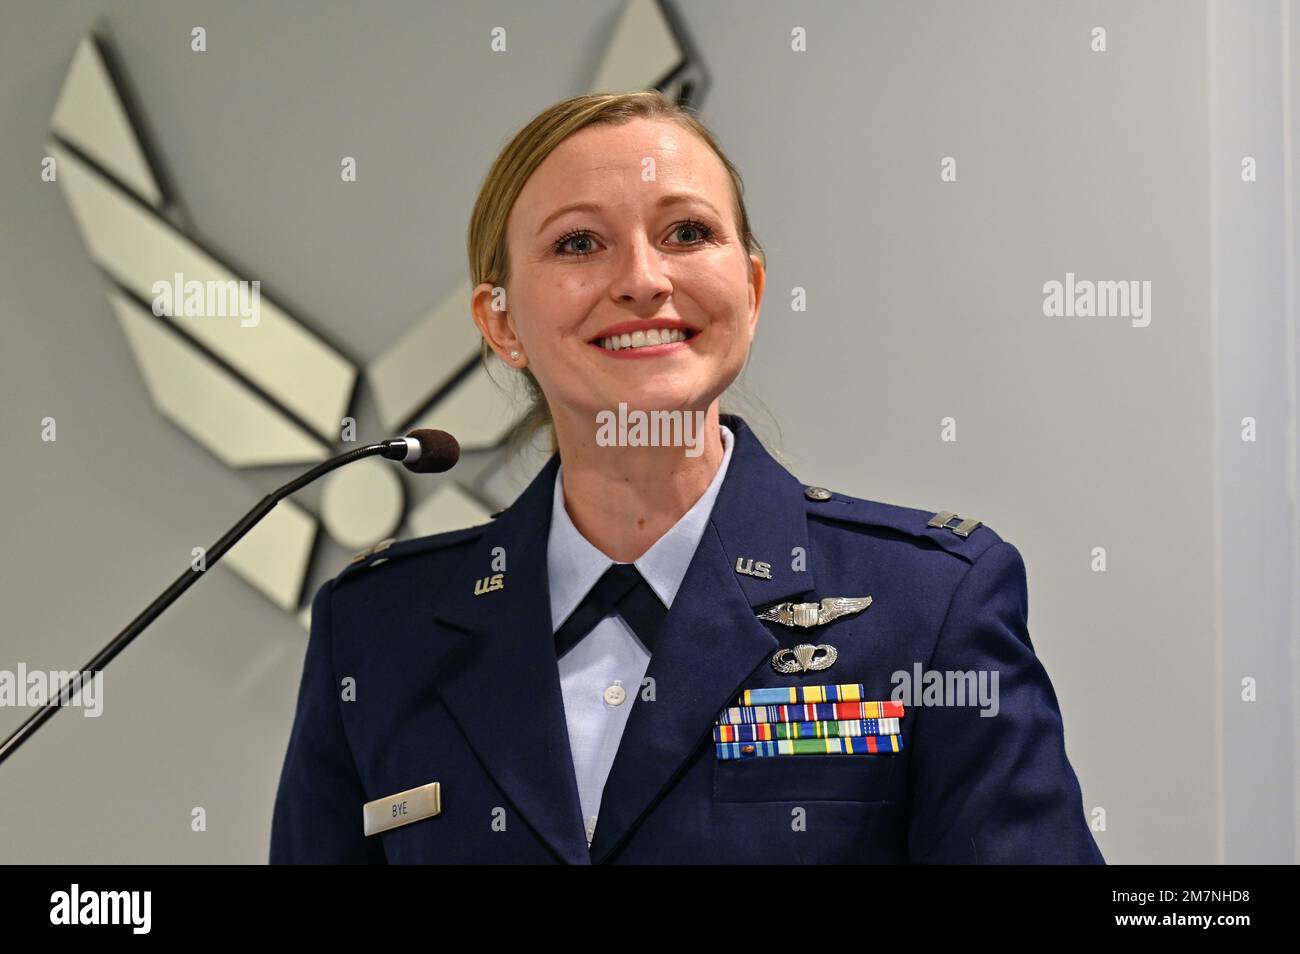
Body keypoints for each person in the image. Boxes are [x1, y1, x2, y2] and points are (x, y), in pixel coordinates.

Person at [270, 90, 1104, 864]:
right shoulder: (379, 630)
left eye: (688, 234)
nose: (641, 279)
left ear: (751, 286)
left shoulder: (929, 606)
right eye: (579, 244)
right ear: (501, 322)